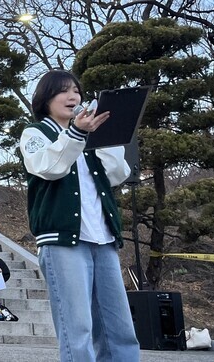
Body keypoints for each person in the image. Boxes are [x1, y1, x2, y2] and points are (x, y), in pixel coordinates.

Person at [20, 69, 137, 362]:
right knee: (78, 327)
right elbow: (49, 167)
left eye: (76, 91)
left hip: (104, 238)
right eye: (63, 90)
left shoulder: (88, 136)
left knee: (119, 327)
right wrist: (76, 133)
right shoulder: (35, 133)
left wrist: (106, 135)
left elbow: (117, 174)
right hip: (62, 241)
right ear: (46, 98)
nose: (73, 96)